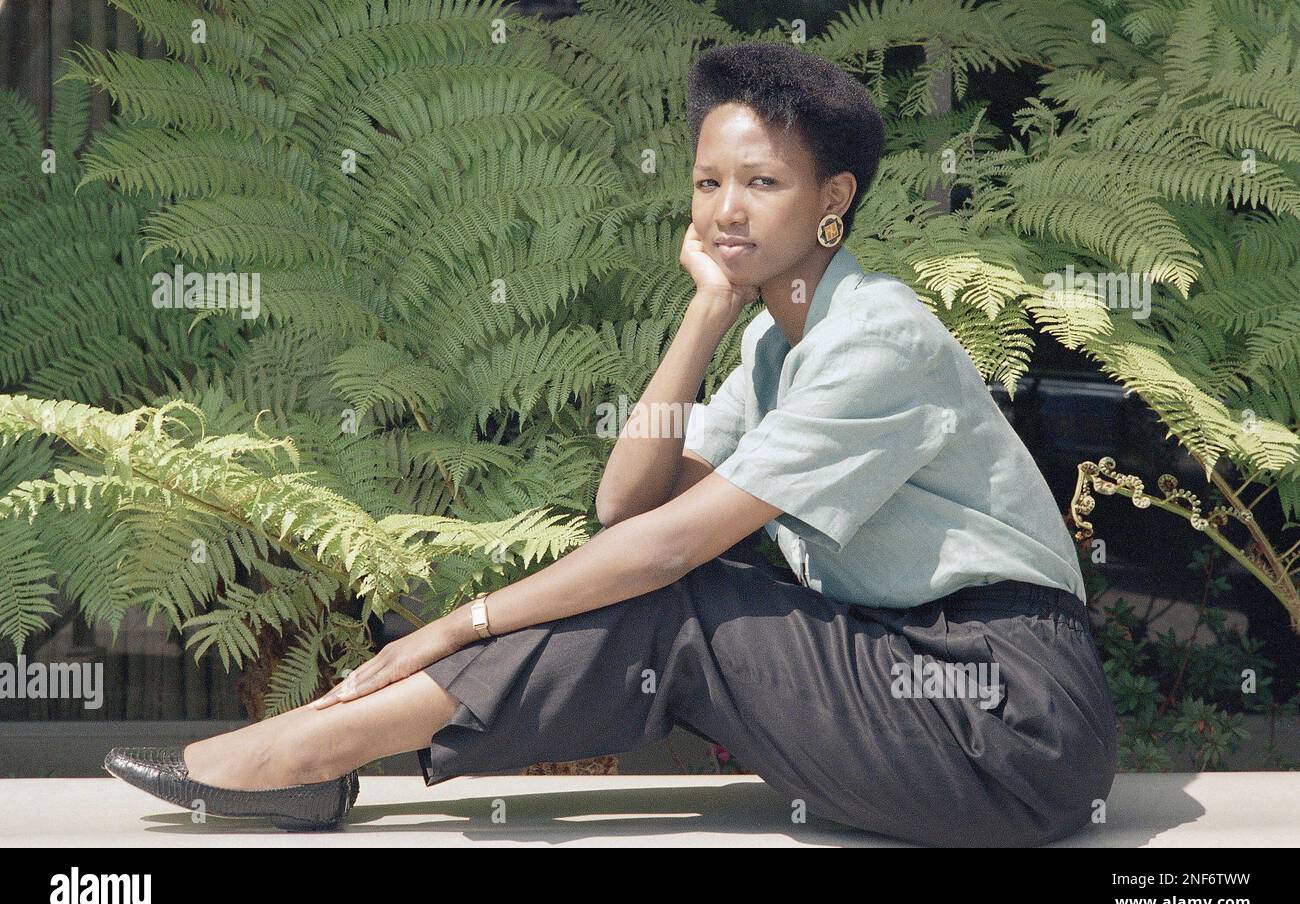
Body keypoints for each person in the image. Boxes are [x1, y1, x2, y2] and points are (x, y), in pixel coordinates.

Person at [104, 40, 1117, 846]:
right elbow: (629, 503)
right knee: (656, 586)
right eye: (707, 180)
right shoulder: (775, 335)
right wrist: (707, 313)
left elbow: (670, 549)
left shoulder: (876, 341)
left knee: (676, 601)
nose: (724, 209)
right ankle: (315, 752)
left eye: (761, 183)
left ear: (832, 201)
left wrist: (452, 624)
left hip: (1004, 718)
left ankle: (312, 751)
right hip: (910, 679)